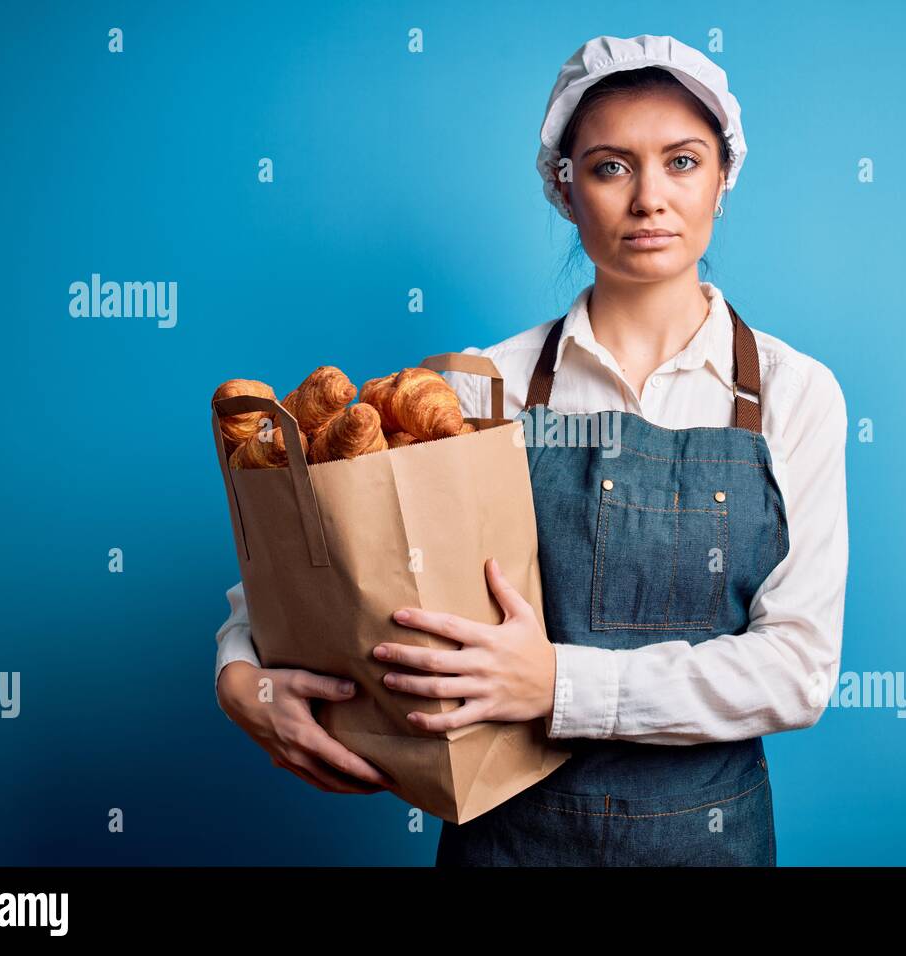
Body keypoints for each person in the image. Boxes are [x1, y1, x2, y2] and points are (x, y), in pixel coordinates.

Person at [214, 33, 848, 866]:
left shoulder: (794, 392)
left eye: (683, 162)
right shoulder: (487, 385)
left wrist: (558, 686)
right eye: (611, 166)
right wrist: (241, 679)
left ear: (725, 178)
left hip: (708, 843)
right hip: (506, 843)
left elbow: (798, 668)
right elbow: (327, 561)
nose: (650, 198)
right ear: (565, 187)